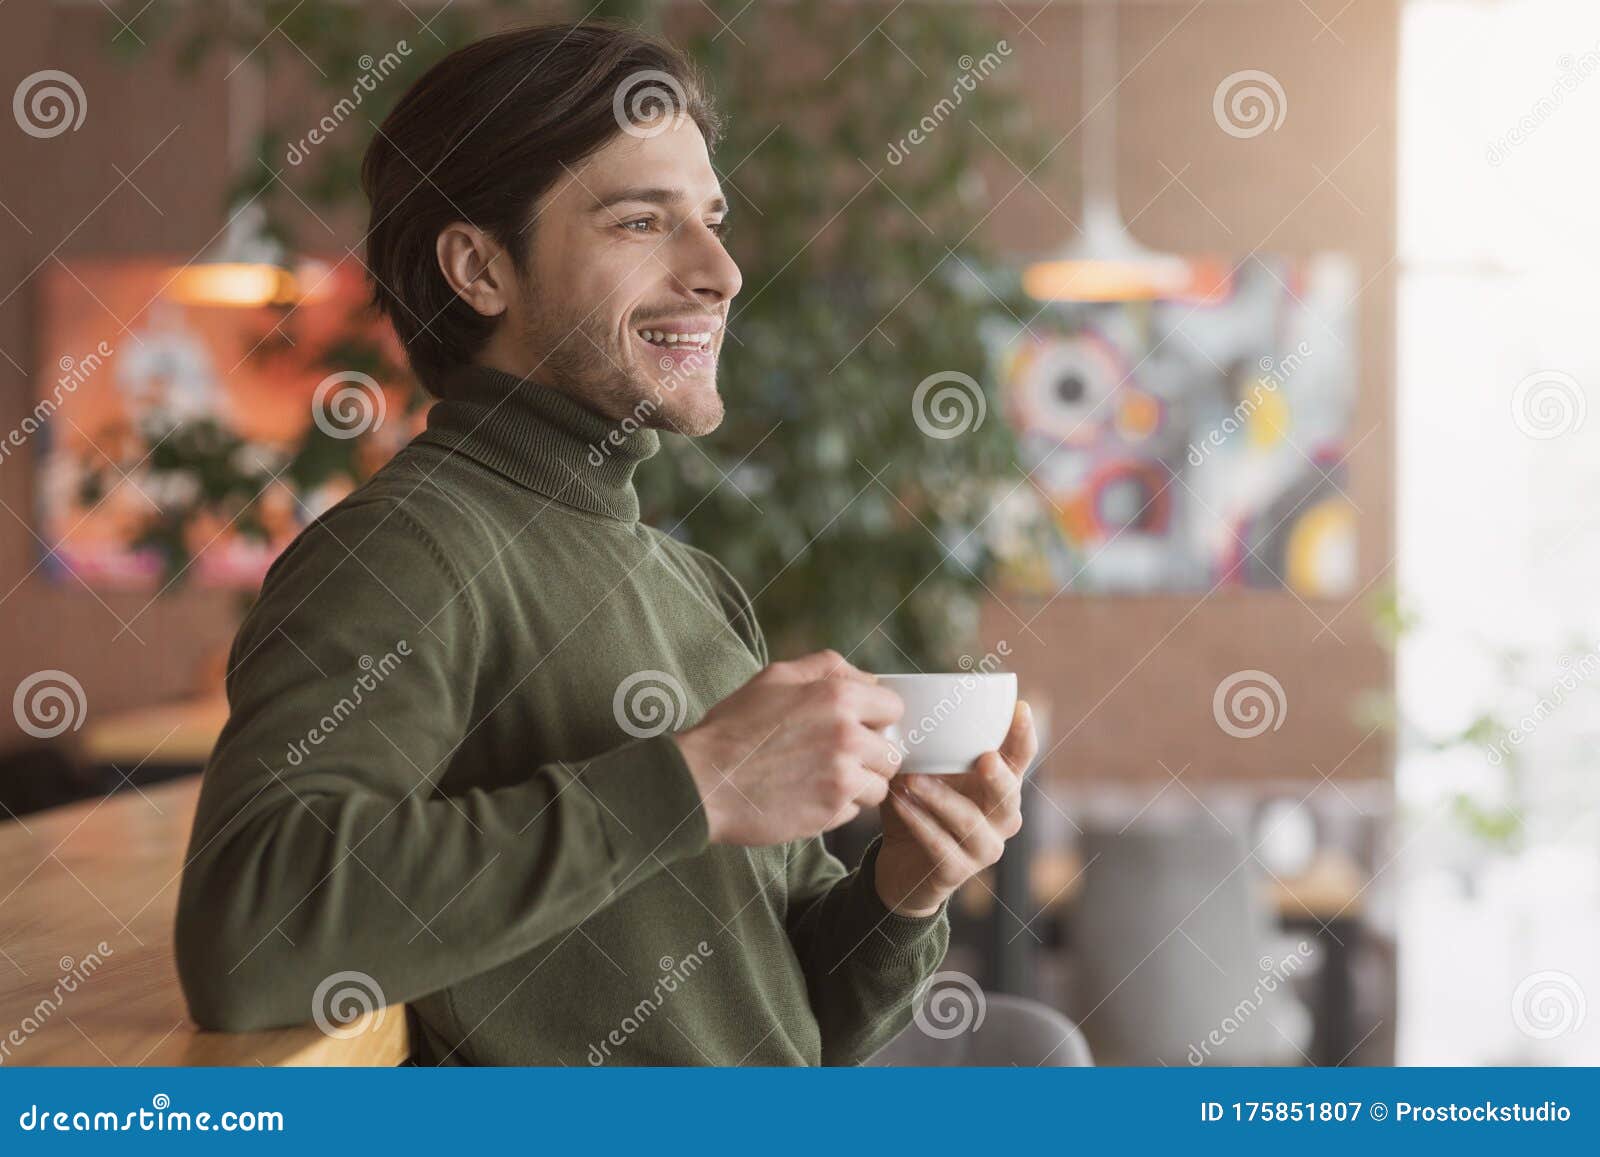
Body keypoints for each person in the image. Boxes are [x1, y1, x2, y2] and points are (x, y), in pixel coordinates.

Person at [175, 20, 1034, 1066]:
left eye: (712, 222)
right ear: (480, 268)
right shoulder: (405, 549)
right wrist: (698, 781)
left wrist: (907, 885)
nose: (719, 269)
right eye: (641, 221)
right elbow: (247, 931)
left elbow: (799, 1025)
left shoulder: (694, 586)